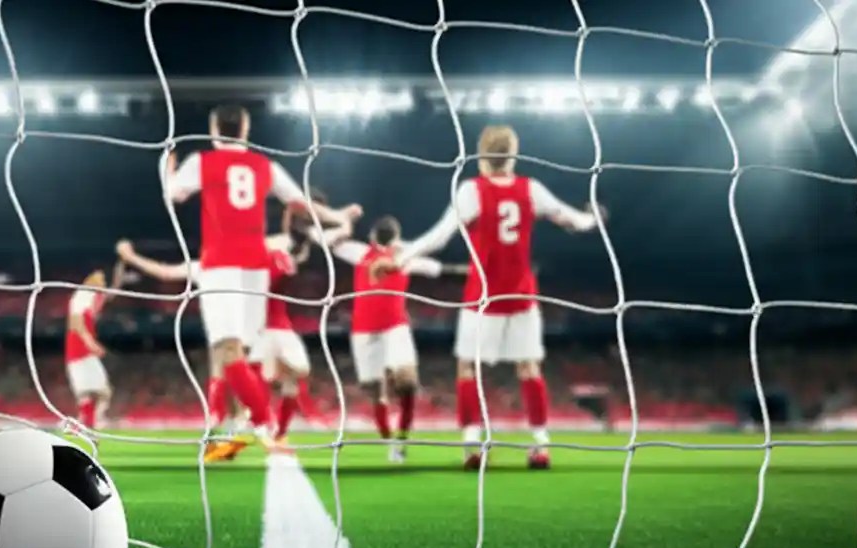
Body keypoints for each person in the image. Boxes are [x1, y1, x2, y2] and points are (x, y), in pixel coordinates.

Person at [372, 125, 604, 470]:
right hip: (522, 297)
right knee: (529, 367)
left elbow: (438, 237)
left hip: (483, 299)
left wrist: (400, 259)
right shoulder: (531, 189)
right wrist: (593, 217)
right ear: (514, 155)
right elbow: (575, 221)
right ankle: (541, 445)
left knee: (468, 367)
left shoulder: (472, 191)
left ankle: (472, 446)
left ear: (481, 156)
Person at [165, 104, 360, 451]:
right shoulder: (264, 166)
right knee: (242, 353)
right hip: (255, 267)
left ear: (213, 129)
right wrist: (336, 215)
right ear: (245, 129)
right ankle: (246, 425)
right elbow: (300, 204)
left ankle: (260, 425)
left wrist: (168, 167)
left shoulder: (202, 162)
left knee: (227, 352)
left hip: (220, 264)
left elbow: (174, 194)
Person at [313, 215, 464, 463]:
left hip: (395, 327)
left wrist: (474, 272)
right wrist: (341, 228)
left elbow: (439, 270)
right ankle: (388, 438)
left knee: (407, 384)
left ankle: (401, 439)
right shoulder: (359, 252)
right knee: (374, 389)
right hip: (364, 331)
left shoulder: (405, 258)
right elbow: (325, 241)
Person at [64, 263, 126, 430]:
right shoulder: (81, 296)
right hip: (78, 348)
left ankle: (90, 421)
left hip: (84, 350)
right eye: (99, 278)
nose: (102, 281)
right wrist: (89, 342)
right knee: (90, 392)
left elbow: (113, 292)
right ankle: (87, 422)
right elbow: (75, 321)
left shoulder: (95, 296)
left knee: (100, 391)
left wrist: (120, 270)